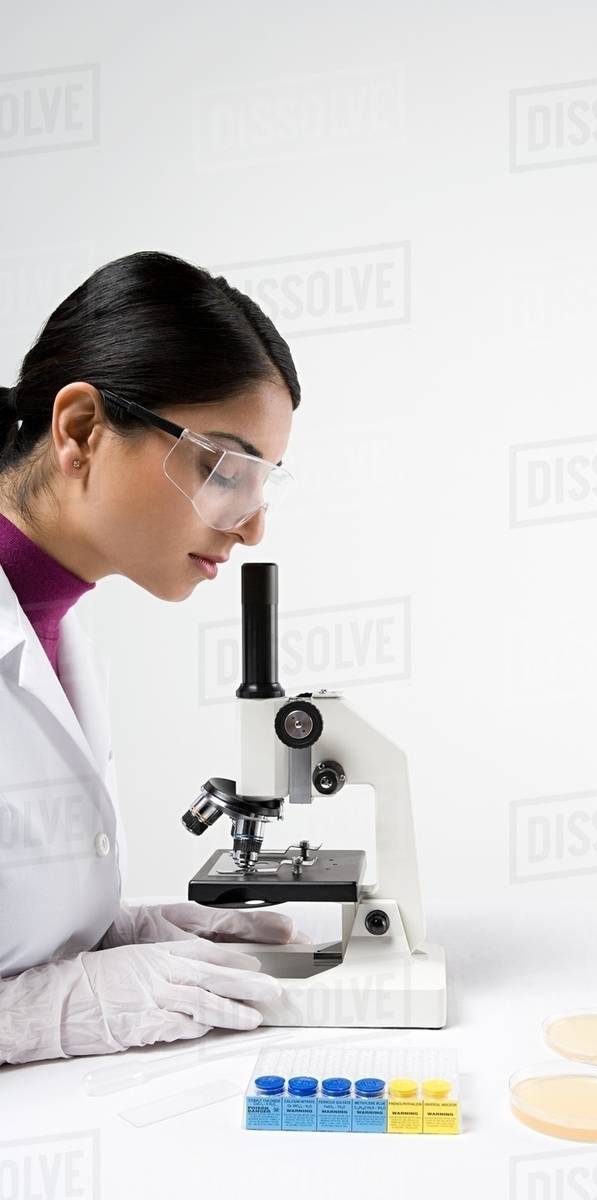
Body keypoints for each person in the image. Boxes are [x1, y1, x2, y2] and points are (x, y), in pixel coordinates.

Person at [0, 250, 308, 1066]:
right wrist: (50, 1012)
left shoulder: (52, 623)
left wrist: (107, 931)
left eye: (263, 482)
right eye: (222, 468)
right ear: (82, 431)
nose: (251, 526)